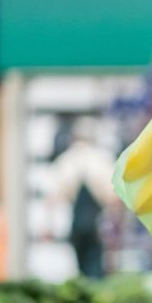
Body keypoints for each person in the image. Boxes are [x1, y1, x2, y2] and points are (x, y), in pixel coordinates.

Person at [50, 116, 117, 278]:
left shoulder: (66, 160)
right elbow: (114, 198)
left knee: (80, 267)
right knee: (95, 267)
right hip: (96, 224)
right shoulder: (103, 159)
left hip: (76, 224)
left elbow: (54, 198)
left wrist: (48, 225)